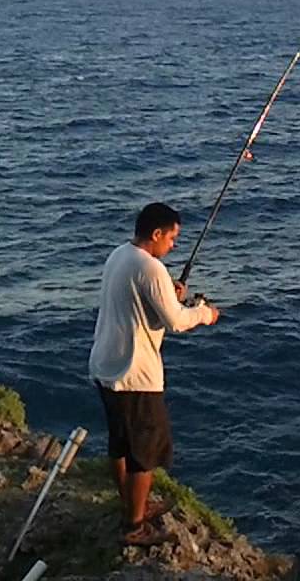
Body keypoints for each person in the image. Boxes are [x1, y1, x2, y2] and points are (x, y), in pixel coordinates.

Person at [88, 202, 220, 546]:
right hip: (135, 375)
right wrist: (204, 313)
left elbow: (140, 305)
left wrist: (168, 297)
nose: (174, 245)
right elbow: (176, 322)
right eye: (172, 238)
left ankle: (130, 504)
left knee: (120, 443)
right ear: (157, 233)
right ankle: (135, 526)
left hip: (106, 366)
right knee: (143, 453)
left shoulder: (120, 255)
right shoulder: (151, 268)